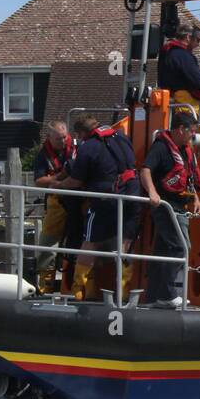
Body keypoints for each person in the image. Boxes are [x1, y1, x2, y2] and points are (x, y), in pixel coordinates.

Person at [52, 114, 142, 301]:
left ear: (82, 133)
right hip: (133, 196)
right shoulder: (123, 137)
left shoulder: (88, 147)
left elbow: (76, 181)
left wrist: (57, 185)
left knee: (89, 243)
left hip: (105, 199)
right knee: (124, 245)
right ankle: (122, 293)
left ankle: (78, 290)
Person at [138, 110, 200, 307]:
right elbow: (145, 170)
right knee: (180, 246)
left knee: (163, 250)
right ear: (180, 130)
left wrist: (196, 199)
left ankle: (154, 296)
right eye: (191, 131)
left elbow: (188, 175)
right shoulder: (161, 147)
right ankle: (167, 294)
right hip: (166, 206)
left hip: (180, 204)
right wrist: (152, 192)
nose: (193, 135)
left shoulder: (184, 149)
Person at [33, 121, 75, 294]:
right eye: (59, 138)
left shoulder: (77, 148)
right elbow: (39, 181)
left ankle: (77, 286)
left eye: (65, 137)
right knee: (48, 245)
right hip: (56, 201)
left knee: (78, 243)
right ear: (50, 137)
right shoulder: (42, 155)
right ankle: (45, 286)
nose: (63, 141)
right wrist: (59, 178)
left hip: (77, 200)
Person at [158, 26, 200, 118]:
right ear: (188, 37)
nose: (198, 44)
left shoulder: (168, 54)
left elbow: (183, 78)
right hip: (186, 110)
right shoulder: (184, 56)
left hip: (172, 107)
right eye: (198, 40)